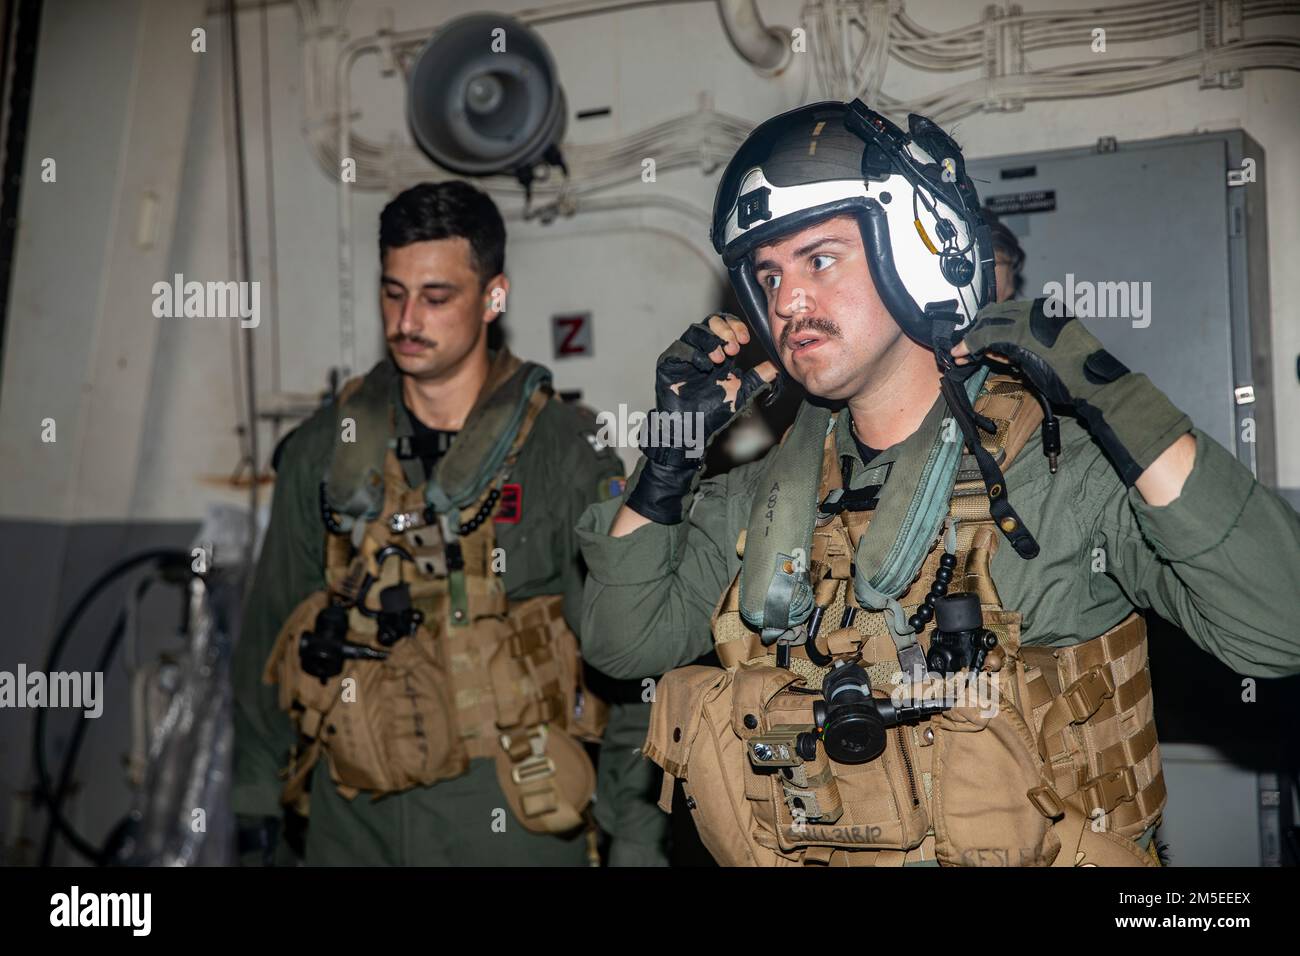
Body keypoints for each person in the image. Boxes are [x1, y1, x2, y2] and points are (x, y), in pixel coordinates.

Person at [575, 100, 1300, 867]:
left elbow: (1280, 628)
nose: (787, 301)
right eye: (768, 275)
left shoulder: (1064, 473)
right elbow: (625, 644)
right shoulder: (764, 498)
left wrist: (1113, 397)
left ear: (921, 249)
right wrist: (670, 454)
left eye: (819, 260)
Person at [231, 181, 631, 865]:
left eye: (436, 297)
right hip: (350, 816)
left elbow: (627, 660)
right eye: (393, 292)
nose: (407, 318)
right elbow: (272, 632)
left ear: (493, 296)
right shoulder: (325, 451)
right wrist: (252, 798)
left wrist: (636, 837)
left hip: (512, 812)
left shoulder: (566, 453)